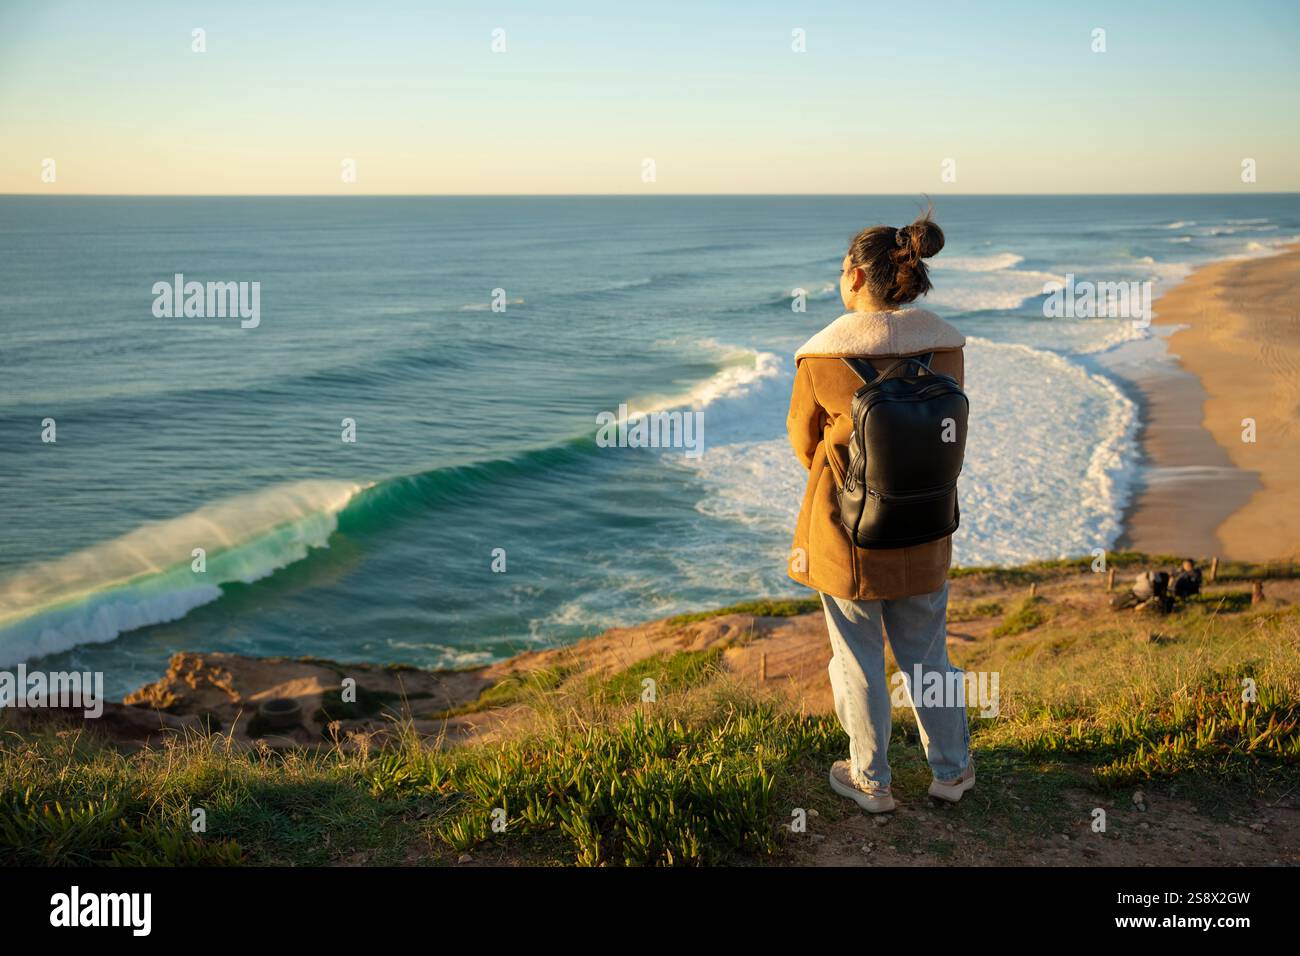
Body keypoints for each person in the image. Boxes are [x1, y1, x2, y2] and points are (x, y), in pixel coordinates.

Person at [786, 207, 973, 813]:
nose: (840, 278)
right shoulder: (947, 345)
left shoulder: (821, 359)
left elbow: (802, 440)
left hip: (850, 531)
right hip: (926, 520)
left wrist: (849, 472)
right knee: (928, 653)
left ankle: (871, 780)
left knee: (859, 653)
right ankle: (952, 772)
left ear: (860, 279)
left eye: (843, 269)